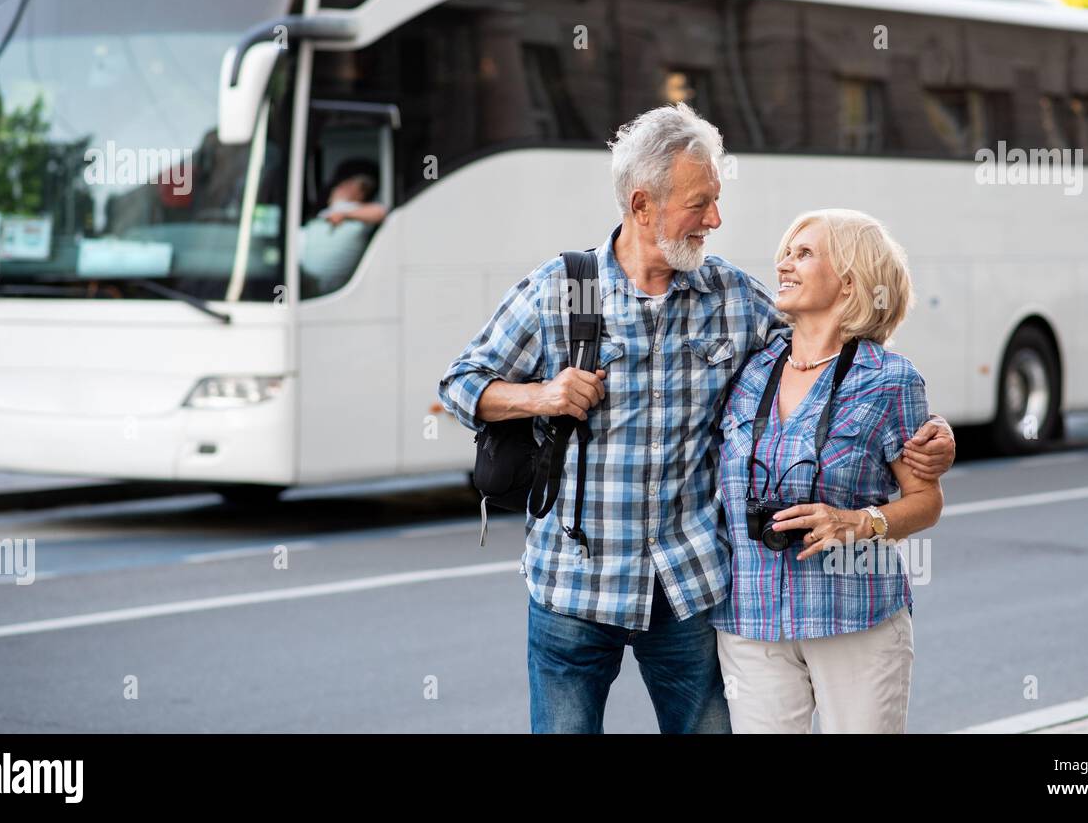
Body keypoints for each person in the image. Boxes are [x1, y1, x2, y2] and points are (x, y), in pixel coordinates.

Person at [437, 103, 957, 734]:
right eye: (699, 203)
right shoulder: (559, 289)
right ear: (641, 203)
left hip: (687, 587)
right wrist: (540, 396)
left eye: (716, 199)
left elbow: (837, 352)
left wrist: (929, 436)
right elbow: (461, 384)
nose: (716, 218)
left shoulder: (734, 298)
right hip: (572, 587)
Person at [711, 208, 943, 733]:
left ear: (850, 280)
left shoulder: (890, 381)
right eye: (786, 252)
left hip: (854, 618)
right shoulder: (750, 368)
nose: (783, 264)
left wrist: (860, 523)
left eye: (804, 253)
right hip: (751, 620)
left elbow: (926, 501)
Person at [299, 160, 387, 294]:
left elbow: (380, 212)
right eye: (341, 184)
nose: (340, 187)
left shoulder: (358, 214)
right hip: (302, 281)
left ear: (361, 194)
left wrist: (345, 215)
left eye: (349, 185)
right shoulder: (321, 215)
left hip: (331, 290)